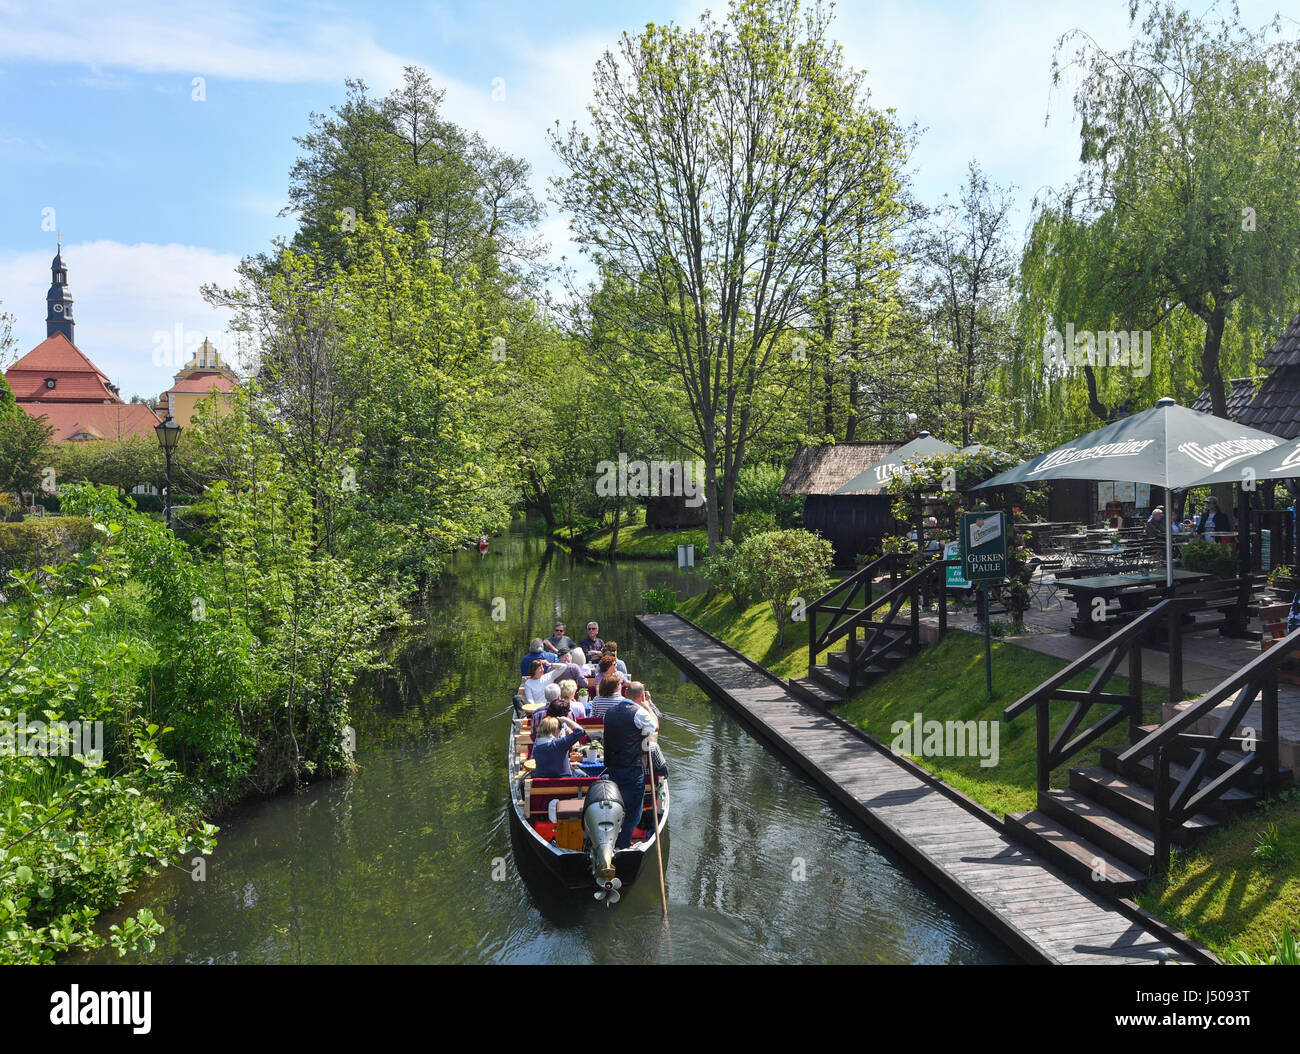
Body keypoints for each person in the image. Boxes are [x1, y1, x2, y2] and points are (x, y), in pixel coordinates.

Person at [601, 681, 659, 848]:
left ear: (626, 693)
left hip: (612, 767)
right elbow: (654, 726)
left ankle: (611, 840)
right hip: (631, 768)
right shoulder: (639, 713)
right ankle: (622, 844)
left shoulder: (609, 712)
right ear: (640, 697)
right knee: (634, 811)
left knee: (616, 805)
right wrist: (647, 705)